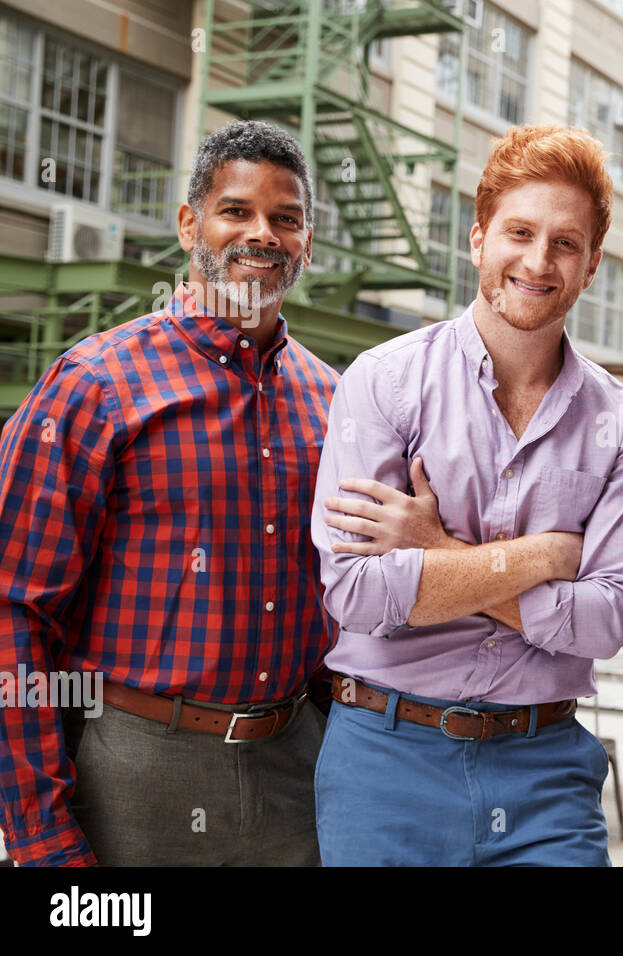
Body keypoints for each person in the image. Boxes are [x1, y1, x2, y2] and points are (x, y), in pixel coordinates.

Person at [310, 124, 623, 866]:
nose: (537, 261)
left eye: (565, 243)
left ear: (593, 264)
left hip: (545, 773)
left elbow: (604, 623)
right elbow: (358, 594)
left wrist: (437, 554)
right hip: (384, 762)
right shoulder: (383, 381)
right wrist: (547, 555)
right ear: (477, 239)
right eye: (520, 233)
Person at [0, 120, 336, 866]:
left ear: (306, 240)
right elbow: (14, 612)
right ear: (190, 224)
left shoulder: (332, 403)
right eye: (237, 211)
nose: (263, 234)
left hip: (295, 773)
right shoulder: (94, 385)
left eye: (286, 218)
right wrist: (40, 834)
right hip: (132, 773)